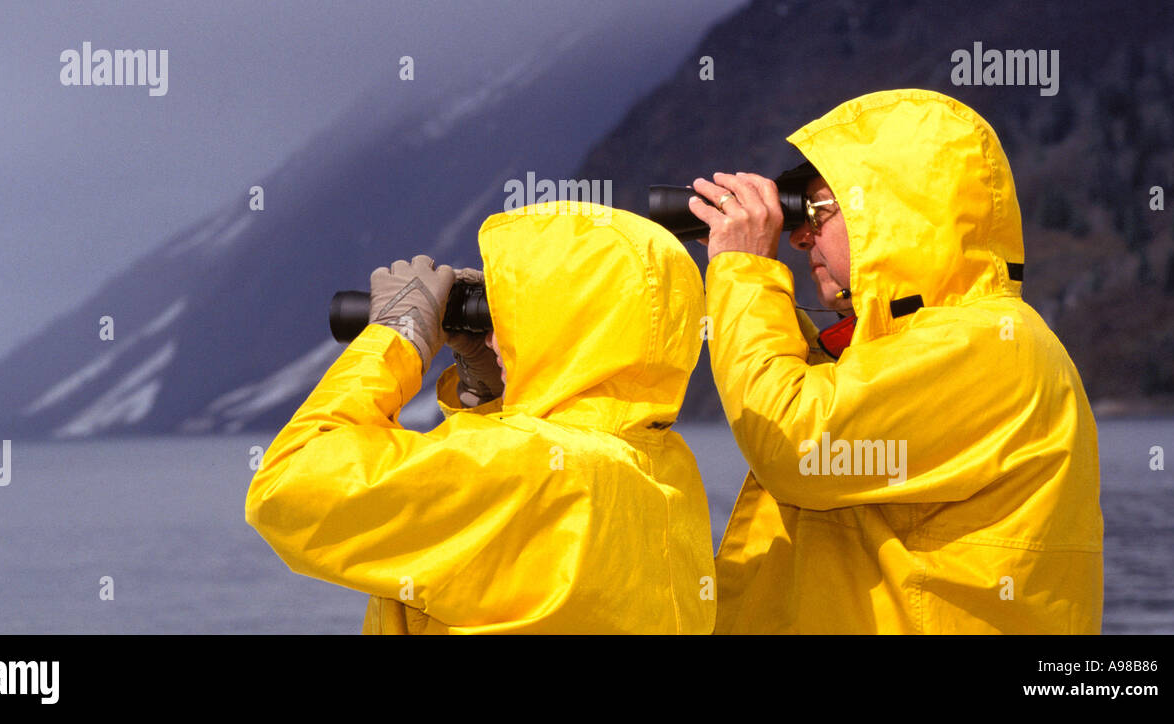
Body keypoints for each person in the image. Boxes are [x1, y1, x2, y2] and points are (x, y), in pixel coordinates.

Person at [688, 87, 1104, 634]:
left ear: (896, 215)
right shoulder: (918, 346)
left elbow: (797, 443)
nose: (800, 237)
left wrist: (743, 271)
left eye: (816, 211)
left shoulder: (988, 344)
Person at [245, 201, 717, 634]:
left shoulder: (533, 471)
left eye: (515, 322)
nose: (493, 338)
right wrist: (487, 394)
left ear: (569, 327)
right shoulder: (661, 470)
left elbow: (289, 484)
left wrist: (396, 335)